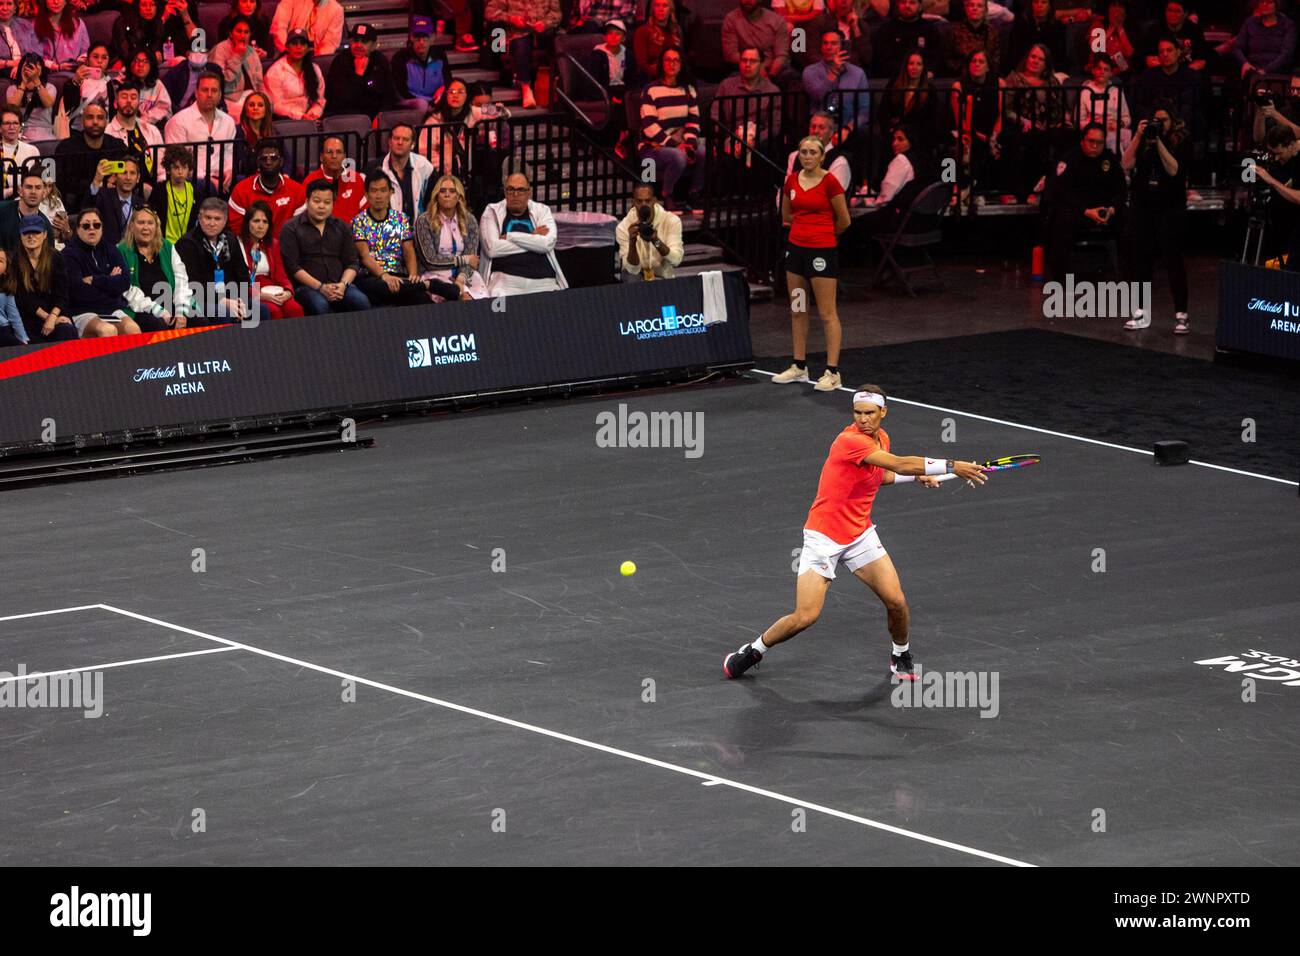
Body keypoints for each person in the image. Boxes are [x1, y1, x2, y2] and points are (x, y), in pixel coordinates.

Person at [722, 385, 987, 681]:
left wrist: (920, 475)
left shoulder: (881, 438)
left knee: (896, 602)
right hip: (823, 538)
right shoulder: (849, 441)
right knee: (806, 616)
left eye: (869, 413)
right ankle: (755, 649)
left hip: (860, 535)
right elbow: (899, 463)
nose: (862, 419)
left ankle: (900, 653)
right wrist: (951, 466)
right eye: (858, 413)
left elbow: (881, 474)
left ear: (883, 412)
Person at [771, 135, 849, 391]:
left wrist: (823, 235)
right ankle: (799, 366)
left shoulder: (830, 182)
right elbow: (786, 214)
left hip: (822, 253)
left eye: (812, 152)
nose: (807, 156)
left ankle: (833, 371)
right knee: (798, 308)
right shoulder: (792, 181)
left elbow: (844, 220)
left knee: (827, 312)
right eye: (803, 152)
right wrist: (804, 231)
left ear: (821, 156)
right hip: (796, 252)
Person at [1121, 104, 1189, 334]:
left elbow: (1174, 170)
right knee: (1141, 261)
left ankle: (1181, 314)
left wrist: (1158, 140)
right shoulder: (1142, 140)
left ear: (1172, 122)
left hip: (1170, 208)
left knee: (1173, 262)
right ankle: (1141, 312)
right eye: (1154, 120)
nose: (1158, 124)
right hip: (1144, 207)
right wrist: (1139, 136)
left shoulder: (1179, 141)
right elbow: (1126, 164)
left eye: (1163, 120)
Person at [1042, 123, 1126, 284]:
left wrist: (1112, 209)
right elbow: (1059, 191)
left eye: (1099, 142)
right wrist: (1085, 210)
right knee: (1061, 220)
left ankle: (1129, 275)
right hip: (1077, 209)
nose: (1095, 145)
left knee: (1130, 221)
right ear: (1082, 141)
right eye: (1091, 141)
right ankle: (1061, 278)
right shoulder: (1069, 159)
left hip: (1104, 210)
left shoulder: (1110, 160)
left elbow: (1121, 189)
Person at [279, 178, 370, 314]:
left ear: (333, 204)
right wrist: (321, 287)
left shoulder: (342, 226)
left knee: (360, 301)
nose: (322, 206)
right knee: (319, 305)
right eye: (316, 201)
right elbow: (293, 268)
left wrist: (343, 285)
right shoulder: (291, 228)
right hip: (307, 288)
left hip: (339, 285)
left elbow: (352, 263)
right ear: (307, 201)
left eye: (327, 202)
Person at [478, 170, 567, 296]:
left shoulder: (542, 210)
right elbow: (492, 249)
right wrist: (533, 239)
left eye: (520, 190)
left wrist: (510, 236)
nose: (515, 194)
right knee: (498, 310)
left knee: (555, 312)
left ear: (528, 193)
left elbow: (546, 244)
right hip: (505, 282)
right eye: (511, 189)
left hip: (544, 281)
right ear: (505, 191)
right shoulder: (491, 211)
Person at [350, 171, 429, 307]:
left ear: (391, 192)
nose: (379, 196)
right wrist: (384, 276)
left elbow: (408, 250)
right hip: (372, 277)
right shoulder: (359, 221)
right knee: (384, 290)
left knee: (422, 299)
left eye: (383, 190)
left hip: (398, 274)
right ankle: (429, 285)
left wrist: (413, 276)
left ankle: (418, 286)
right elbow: (365, 257)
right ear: (366, 195)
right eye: (374, 191)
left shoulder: (400, 219)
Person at [998, 43, 1064, 204]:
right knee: (1023, 142)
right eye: (1033, 56)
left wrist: (1054, 123)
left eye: (1040, 59)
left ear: (1046, 64)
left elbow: (1059, 108)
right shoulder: (1014, 79)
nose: (1035, 61)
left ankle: (1047, 191)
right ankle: (1017, 192)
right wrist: (1022, 120)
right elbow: (1005, 109)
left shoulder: (1052, 81)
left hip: (1046, 127)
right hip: (1020, 126)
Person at [639, 46, 703, 210]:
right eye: (668, 60)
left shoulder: (688, 90)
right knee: (678, 156)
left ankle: (694, 194)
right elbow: (650, 127)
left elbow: (693, 121)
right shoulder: (651, 90)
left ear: (681, 64)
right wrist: (675, 145)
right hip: (653, 146)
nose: (672, 64)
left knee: (703, 151)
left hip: (681, 141)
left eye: (676, 60)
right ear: (662, 63)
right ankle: (666, 195)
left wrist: (689, 143)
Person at [62, 207, 140, 337]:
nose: (92, 228)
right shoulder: (68, 254)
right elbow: (78, 291)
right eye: (86, 225)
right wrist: (111, 282)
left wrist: (95, 280)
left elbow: (125, 282)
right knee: (107, 330)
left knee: (133, 329)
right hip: (83, 311)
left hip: (111, 310)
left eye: (96, 225)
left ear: (102, 227)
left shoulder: (111, 250)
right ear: (78, 229)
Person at [174, 197, 252, 325]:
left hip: (230, 297)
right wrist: (224, 301)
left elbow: (243, 274)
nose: (212, 223)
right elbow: (193, 285)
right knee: (224, 313)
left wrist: (239, 301)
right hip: (199, 299)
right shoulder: (187, 243)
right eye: (208, 218)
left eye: (217, 219)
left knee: (260, 309)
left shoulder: (230, 239)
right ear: (199, 218)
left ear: (225, 220)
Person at [118, 205, 197, 331]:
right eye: (141, 222)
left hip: (171, 304)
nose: (146, 227)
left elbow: (181, 280)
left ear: (156, 227)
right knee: (158, 325)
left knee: (200, 321)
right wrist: (157, 310)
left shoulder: (167, 247)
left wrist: (180, 311)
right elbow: (127, 289)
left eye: (150, 223)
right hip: (141, 308)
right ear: (132, 226)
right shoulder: (121, 250)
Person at [413, 173, 487, 300]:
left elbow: (472, 258)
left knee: (479, 301)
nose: (447, 194)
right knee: (459, 298)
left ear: (459, 196)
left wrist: (460, 279)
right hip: (435, 275)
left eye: (452, 191)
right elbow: (430, 260)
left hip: (464, 275)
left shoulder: (470, 220)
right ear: (437, 196)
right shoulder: (424, 220)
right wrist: (464, 259)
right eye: (442, 191)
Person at [164, 72, 238, 192]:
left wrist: (228, 171)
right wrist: (207, 179)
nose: (209, 95)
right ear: (196, 93)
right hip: (190, 180)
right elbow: (177, 162)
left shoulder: (228, 122)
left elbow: (228, 154)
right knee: (207, 187)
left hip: (219, 178)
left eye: (214, 90)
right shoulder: (179, 121)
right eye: (205, 90)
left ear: (220, 95)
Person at [485, 0, 561, 110]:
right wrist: (511, 18)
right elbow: (490, 12)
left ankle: (559, 88)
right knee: (522, 43)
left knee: (559, 41)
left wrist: (545, 23)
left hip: (544, 31)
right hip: (518, 32)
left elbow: (556, 14)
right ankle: (526, 87)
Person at [54, 101, 127, 213]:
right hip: (75, 207)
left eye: (100, 118)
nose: (95, 122)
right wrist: (95, 184)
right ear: (82, 121)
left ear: (107, 121)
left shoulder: (118, 147)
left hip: (112, 204)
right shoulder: (65, 148)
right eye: (90, 117)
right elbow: (59, 183)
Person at [236, 198, 304, 319]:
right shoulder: (237, 244)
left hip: (273, 288)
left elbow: (281, 275)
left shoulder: (273, 244)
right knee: (273, 311)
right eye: (256, 221)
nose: (261, 226)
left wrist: (288, 291)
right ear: (247, 223)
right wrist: (261, 295)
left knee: (295, 309)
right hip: (250, 289)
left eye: (265, 222)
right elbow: (239, 282)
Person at [951, 49, 1001, 206]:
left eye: (981, 61)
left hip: (990, 131)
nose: (977, 64)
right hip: (965, 129)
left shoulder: (999, 84)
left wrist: (993, 136)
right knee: (952, 153)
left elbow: (1000, 115)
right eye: (973, 61)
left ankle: (979, 190)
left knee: (1002, 145)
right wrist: (978, 135)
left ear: (988, 66)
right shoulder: (958, 86)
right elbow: (960, 120)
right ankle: (954, 188)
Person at [14, 215, 76, 342]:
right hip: (29, 317)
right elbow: (23, 299)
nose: (31, 236)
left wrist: (53, 317)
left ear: (45, 235)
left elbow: (62, 294)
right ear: (20, 236)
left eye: (36, 232)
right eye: (26, 233)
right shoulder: (15, 261)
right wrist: (48, 318)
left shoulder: (56, 258)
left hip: (55, 312)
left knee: (66, 330)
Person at [227, 139, 306, 239]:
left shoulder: (297, 190)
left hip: (286, 247)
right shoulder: (241, 190)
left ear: (281, 162)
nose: (269, 162)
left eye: (274, 158)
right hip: (251, 247)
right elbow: (237, 229)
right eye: (264, 158)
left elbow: (299, 228)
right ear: (258, 162)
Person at [803, 29, 869, 139]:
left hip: (848, 127)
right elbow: (819, 96)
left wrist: (847, 129)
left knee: (865, 133)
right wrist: (834, 71)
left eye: (833, 43)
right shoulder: (810, 71)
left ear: (842, 46)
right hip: (820, 128)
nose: (828, 47)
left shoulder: (858, 73)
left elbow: (864, 110)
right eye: (825, 43)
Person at [1254, 124, 1300, 271]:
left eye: (1279, 153)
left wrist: (1271, 181)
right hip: (1283, 226)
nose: (1277, 158)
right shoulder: (1283, 161)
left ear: (1292, 145)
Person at [616, 180, 683, 281]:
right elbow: (632, 270)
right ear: (633, 202)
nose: (644, 205)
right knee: (629, 277)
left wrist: (655, 240)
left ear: (654, 201)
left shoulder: (671, 221)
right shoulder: (623, 227)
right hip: (637, 275)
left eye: (647, 201)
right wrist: (632, 242)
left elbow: (676, 260)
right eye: (639, 201)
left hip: (662, 275)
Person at [367, 123, 435, 221]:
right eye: (396, 138)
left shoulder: (424, 166)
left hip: (416, 230)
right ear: (389, 142)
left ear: (413, 144)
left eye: (405, 139)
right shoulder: (374, 168)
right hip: (385, 231)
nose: (400, 142)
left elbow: (434, 198)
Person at [325, 23, 394, 119]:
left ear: (374, 45)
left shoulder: (380, 61)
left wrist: (381, 116)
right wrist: (358, 75)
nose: (358, 45)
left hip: (375, 116)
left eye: (364, 41)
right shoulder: (340, 61)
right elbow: (343, 100)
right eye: (355, 41)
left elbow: (389, 95)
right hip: (345, 116)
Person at [722, 0, 793, 85]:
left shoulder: (777, 21)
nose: (747, 1)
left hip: (772, 69)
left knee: (791, 76)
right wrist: (756, 66)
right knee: (731, 81)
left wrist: (771, 75)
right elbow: (730, 54)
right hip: (744, 67)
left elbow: (781, 55)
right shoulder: (731, 19)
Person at [1134, 37, 1198, 130]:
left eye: (1169, 50)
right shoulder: (1148, 76)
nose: (1165, 54)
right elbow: (1140, 104)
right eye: (1161, 51)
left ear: (1178, 52)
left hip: (1182, 125)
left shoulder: (1191, 75)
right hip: (1154, 124)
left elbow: (1191, 102)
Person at [209, 14, 265, 121]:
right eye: (239, 31)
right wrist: (237, 56)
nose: (242, 36)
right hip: (229, 98)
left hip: (251, 97)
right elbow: (222, 83)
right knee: (247, 115)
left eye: (246, 32)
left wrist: (265, 100)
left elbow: (259, 83)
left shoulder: (251, 52)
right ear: (230, 33)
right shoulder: (220, 50)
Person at [152, 145, 210, 245]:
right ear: (168, 169)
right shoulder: (159, 190)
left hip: (188, 243)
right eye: (176, 167)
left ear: (189, 169)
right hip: (164, 244)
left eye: (184, 167)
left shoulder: (195, 190)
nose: (180, 172)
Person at [106, 82, 164, 183]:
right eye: (124, 97)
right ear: (115, 103)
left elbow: (161, 166)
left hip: (153, 187)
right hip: (122, 189)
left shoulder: (152, 130)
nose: (129, 101)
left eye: (133, 97)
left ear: (139, 103)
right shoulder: (107, 132)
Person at [392, 14, 451, 113]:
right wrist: (427, 103)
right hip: (410, 101)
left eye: (426, 37)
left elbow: (448, 81)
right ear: (411, 37)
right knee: (422, 105)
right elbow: (400, 91)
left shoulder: (440, 56)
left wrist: (437, 98)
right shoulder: (400, 57)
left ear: (432, 38)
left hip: (435, 100)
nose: (421, 42)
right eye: (417, 37)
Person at [304, 135, 368, 223]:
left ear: (344, 157)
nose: (334, 156)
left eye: (338, 152)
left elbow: (367, 214)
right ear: (321, 157)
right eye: (329, 152)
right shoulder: (310, 181)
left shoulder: (356, 179)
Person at [265, 29, 326, 121]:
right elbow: (275, 105)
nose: (299, 47)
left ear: (308, 48)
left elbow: (320, 100)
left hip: (311, 118)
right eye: (294, 43)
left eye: (302, 44)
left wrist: (313, 114)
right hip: (285, 120)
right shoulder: (275, 71)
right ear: (287, 47)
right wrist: (300, 116)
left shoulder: (315, 69)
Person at [880, 49, 936, 149]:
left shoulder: (930, 90)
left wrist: (910, 140)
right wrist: (894, 132)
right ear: (906, 66)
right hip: (893, 138)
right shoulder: (894, 86)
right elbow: (883, 113)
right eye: (911, 63)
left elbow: (931, 123)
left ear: (923, 68)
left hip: (918, 142)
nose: (914, 67)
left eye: (919, 64)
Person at [1077, 53, 1130, 155]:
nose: (1102, 72)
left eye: (1106, 70)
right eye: (1099, 68)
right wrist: (1097, 125)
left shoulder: (1117, 92)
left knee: (1123, 137)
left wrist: (1119, 124)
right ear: (1093, 70)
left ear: (1111, 73)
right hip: (1094, 131)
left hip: (1115, 129)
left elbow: (1127, 118)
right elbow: (1079, 121)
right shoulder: (1086, 92)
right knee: (1109, 138)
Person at [873, 0, 941, 79]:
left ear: (919, 6)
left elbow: (936, 58)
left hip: (923, 79)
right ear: (898, 5)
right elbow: (882, 60)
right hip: (894, 79)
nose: (907, 6)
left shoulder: (930, 29)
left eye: (912, 2)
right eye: (903, 2)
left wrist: (927, 72)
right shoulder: (886, 29)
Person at [112, 0, 189, 70]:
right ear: (137, 6)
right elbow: (126, 54)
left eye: (152, 4)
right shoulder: (123, 22)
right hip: (130, 65)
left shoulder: (159, 22)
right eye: (144, 5)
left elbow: (162, 53)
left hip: (154, 67)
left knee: (180, 60)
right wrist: (151, 56)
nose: (149, 8)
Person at [785, 110, 852, 190]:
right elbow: (786, 189)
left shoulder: (839, 162)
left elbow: (832, 197)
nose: (816, 131)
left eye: (821, 127)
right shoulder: (794, 156)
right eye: (813, 127)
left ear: (831, 132)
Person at [94, 152, 149, 248]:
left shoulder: (142, 204)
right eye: (124, 172)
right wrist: (97, 180)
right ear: (115, 176)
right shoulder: (104, 196)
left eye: (132, 173)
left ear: (138, 178)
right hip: (108, 254)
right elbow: (88, 205)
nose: (128, 178)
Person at [1232, 0, 1295, 82]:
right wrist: (1245, 63)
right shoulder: (1250, 23)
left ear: (1276, 5)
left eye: (1269, 2)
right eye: (1262, 2)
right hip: (1252, 69)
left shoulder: (1287, 25)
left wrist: (1265, 70)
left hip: (1276, 71)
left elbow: (1286, 54)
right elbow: (1237, 47)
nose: (1265, 4)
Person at [0, 164, 59, 249]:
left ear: (44, 193)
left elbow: (48, 258)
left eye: (38, 188)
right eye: (29, 187)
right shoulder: (2, 210)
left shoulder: (45, 226)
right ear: (20, 191)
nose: (33, 192)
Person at [60, 41, 114, 130]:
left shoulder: (110, 83)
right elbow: (67, 107)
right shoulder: (78, 79)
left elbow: (112, 112)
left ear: (108, 61)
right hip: (78, 132)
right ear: (88, 60)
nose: (99, 61)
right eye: (95, 57)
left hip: (103, 132)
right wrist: (75, 82)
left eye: (104, 58)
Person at [1140, 0, 1207, 72]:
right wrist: (1170, 71)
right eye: (1170, 10)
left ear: (1185, 14)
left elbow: (1201, 62)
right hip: (1162, 73)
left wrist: (1182, 73)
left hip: (1188, 74)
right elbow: (1150, 60)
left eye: (1177, 11)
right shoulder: (1155, 30)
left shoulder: (1195, 30)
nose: (1172, 14)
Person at [6, 52, 55, 142]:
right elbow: (11, 108)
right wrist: (24, 83)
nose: (32, 68)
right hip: (20, 137)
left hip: (44, 137)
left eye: (37, 65)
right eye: (28, 65)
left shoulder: (49, 87)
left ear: (42, 69)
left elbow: (48, 103)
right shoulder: (12, 89)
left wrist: (36, 80)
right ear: (21, 68)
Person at [1007, 0, 1066, 74]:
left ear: (1049, 6)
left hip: (1051, 72)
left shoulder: (1058, 27)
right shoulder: (1020, 26)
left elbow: (1061, 57)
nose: (1039, 5)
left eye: (1044, 2)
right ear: (1031, 5)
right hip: (1024, 72)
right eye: (1036, 2)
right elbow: (1013, 56)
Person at [947, 0, 1001, 77]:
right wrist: (968, 70)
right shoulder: (954, 31)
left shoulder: (992, 32)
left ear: (985, 10)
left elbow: (995, 60)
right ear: (965, 9)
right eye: (971, 5)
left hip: (986, 77)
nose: (975, 8)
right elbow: (948, 59)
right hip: (961, 76)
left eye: (979, 6)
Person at [270, 0, 344, 56]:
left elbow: (330, 44)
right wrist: (289, 52)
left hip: (315, 58)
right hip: (287, 53)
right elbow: (278, 28)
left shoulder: (336, 10)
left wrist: (314, 62)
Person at [31, 0, 88, 73]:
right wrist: (56, 67)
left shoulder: (78, 23)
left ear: (65, 1)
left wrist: (81, 61)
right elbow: (35, 57)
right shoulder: (35, 26)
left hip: (76, 72)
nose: (56, 2)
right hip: (51, 74)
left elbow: (86, 51)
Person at [633, 0, 683, 80]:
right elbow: (642, 64)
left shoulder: (676, 31)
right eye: (657, 5)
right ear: (652, 9)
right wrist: (664, 72)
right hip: (651, 78)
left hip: (675, 77)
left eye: (665, 6)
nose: (661, 9)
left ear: (670, 9)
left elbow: (681, 58)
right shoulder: (642, 31)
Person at [125, 46, 173, 126]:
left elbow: (165, 109)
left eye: (145, 61)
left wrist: (145, 119)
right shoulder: (121, 83)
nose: (140, 64)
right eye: (137, 60)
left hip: (151, 128)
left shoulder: (157, 84)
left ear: (151, 65)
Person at [233, 90, 275, 177]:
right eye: (251, 105)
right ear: (245, 109)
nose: (255, 108)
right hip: (245, 177)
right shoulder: (237, 132)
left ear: (266, 110)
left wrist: (286, 174)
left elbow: (286, 158)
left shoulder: (273, 132)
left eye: (260, 105)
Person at [1088, 0, 1135, 76]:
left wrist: (1119, 29)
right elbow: (1096, 49)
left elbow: (1129, 53)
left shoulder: (1129, 28)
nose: (1117, 9)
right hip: (1098, 68)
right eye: (1114, 5)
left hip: (1119, 71)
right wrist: (1112, 28)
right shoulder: (1098, 24)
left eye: (1120, 6)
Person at [0, 105, 37, 198]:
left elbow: (44, 181)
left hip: (24, 201)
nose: (11, 127)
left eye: (15, 123)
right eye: (7, 123)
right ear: (0, 128)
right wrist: (9, 191)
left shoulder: (32, 150)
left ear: (20, 127)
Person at [0, 0, 38, 81]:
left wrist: (22, 65)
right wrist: (11, 63)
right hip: (4, 74)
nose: (4, 8)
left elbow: (37, 53)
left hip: (28, 69)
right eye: (0, 4)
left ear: (15, 7)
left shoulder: (26, 25)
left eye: (9, 4)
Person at [0, 245, 25, 346]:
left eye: (0, 261)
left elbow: (15, 318)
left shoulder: (5, 293)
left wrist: (23, 341)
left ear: (5, 271)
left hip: (3, 330)